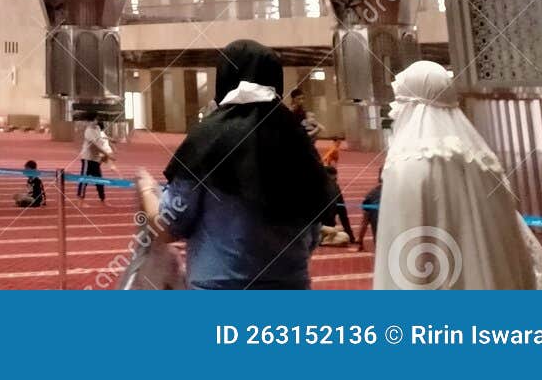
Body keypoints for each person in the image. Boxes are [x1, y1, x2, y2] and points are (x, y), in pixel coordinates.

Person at [145, 39, 334, 290]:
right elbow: (312, 234)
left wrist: (145, 188)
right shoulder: (297, 140)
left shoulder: (207, 138)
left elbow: (169, 224)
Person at [373, 61, 540, 290]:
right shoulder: (483, 160)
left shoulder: (405, 165)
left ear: (413, 105)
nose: (396, 111)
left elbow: (402, 250)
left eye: (400, 102)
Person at [317, 141, 354, 245]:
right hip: (320, 228)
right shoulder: (334, 188)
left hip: (321, 228)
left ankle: (321, 239)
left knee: (340, 232)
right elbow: (343, 214)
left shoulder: (320, 186)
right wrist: (351, 236)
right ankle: (322, 241)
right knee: (344, 236)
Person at [77, 119, 113, 202]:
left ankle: (102, 198)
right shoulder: (88, 131)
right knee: (84, 179)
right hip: (87, 159)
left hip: (95, 159)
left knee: (99, 179)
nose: (95, 121)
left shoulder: (97, 129)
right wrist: (106, 154)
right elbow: (95, 145)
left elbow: (101, 139)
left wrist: (110, 140)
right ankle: (80, 200)